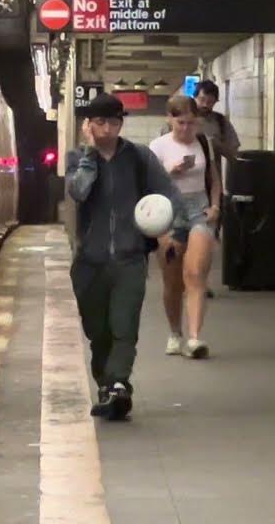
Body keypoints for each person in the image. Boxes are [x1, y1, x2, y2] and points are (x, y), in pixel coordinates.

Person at [67, 93, 185, 421]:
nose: (107, 129)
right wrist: (91, 153)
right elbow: (78, 192)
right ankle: (107, 384)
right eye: (100, 123)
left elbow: (168, 194)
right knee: (98, 331)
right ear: (88, 126)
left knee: (124, 325)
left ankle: (118, 384)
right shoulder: (77, 157)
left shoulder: (139, 157)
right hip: (89, 263)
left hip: (130, 259)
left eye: (114, 123)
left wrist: (172, 230)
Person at [150, 95, 222, 359]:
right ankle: (174, 332)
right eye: (180, 123)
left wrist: (215, 206)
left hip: (199, 210)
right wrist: (171, 171)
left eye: (191, 123)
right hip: (168, 213)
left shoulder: (204, 143)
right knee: (172, 282)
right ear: (169, 120)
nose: (186, 129)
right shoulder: (157, 147)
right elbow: (149, 187)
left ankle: (194, 338)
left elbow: (213, 178)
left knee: (195, 274)